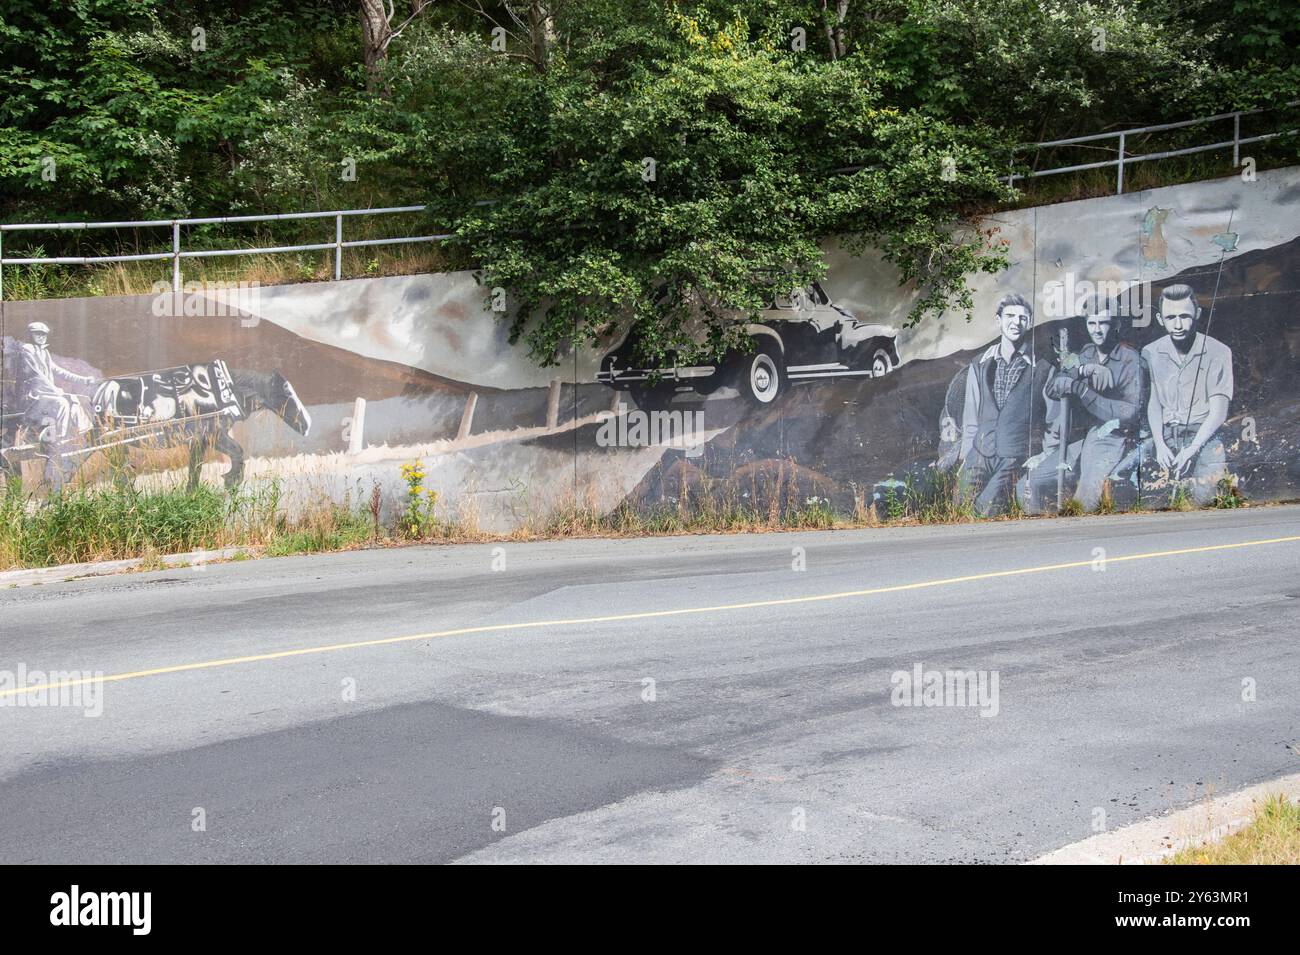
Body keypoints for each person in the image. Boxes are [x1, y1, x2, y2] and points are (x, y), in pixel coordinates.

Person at [1021, 297, 1145, 511]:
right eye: (1092, 323)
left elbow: (1128, 413)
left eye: (1103, 323)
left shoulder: (1129, 360)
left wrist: (1080, 389)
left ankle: (1083, 540)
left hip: (1114, 439)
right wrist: (1081, 371)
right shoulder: (1086, 354)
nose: (1097, 330)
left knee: (1085, 498)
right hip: (1084, 440)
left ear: (1115, 325)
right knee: (1031, 481)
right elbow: (1053, 388)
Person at [956, 293, 1053, 515]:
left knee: (986, 509)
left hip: (1015, 457)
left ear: (1029, 323)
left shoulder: (1043, 368)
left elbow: (1053, 418)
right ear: (998, 320)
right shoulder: (980, 365)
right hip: (980, 453)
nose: (1016, 323)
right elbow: (971, 416)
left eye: (1022, 318)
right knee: (959, 508)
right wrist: (966, 457)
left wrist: (1045, 453)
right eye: (1010, 316)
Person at [1141, 284, 1233, 504]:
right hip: (1163, 435)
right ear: (1160, 319)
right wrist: (1160, 444)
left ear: (1198, 315)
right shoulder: (1151, 352)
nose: (1178, 325)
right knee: (1127, 481)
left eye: (1185, 316)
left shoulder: (1218, 352)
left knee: (1205, 495)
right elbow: (1154, 403)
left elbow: (1219, 412)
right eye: (1171, 317)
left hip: (1204, 436)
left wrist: (1192, 448)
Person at [18, 321, 94, 439]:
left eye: (44, 334)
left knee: (73, 398)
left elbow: (59, 371)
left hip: (45, 394)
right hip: (31, 397)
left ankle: (85, 433)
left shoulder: (44, 352)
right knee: (61, 402)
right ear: (30, 335)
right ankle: (59, 438)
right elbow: (36, 375)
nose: (41, 337)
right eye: (37, 334)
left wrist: (84, 380)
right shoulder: (26, 350)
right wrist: (54, 389)